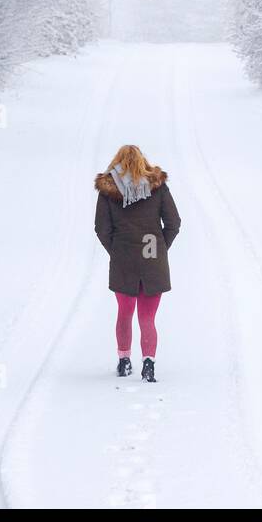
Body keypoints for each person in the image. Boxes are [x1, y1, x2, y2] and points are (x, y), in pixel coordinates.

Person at [94, 144, 181, 382]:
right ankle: (149, 364)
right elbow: (173, 223)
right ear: (143, 161)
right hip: (153, 258)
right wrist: (159, 248)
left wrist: (116, 249)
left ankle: (123, 361)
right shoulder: (158, 187)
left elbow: (102, 228)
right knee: (147, 317)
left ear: (117, 161)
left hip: (123, 259)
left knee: (124, 313)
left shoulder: (108, 191)